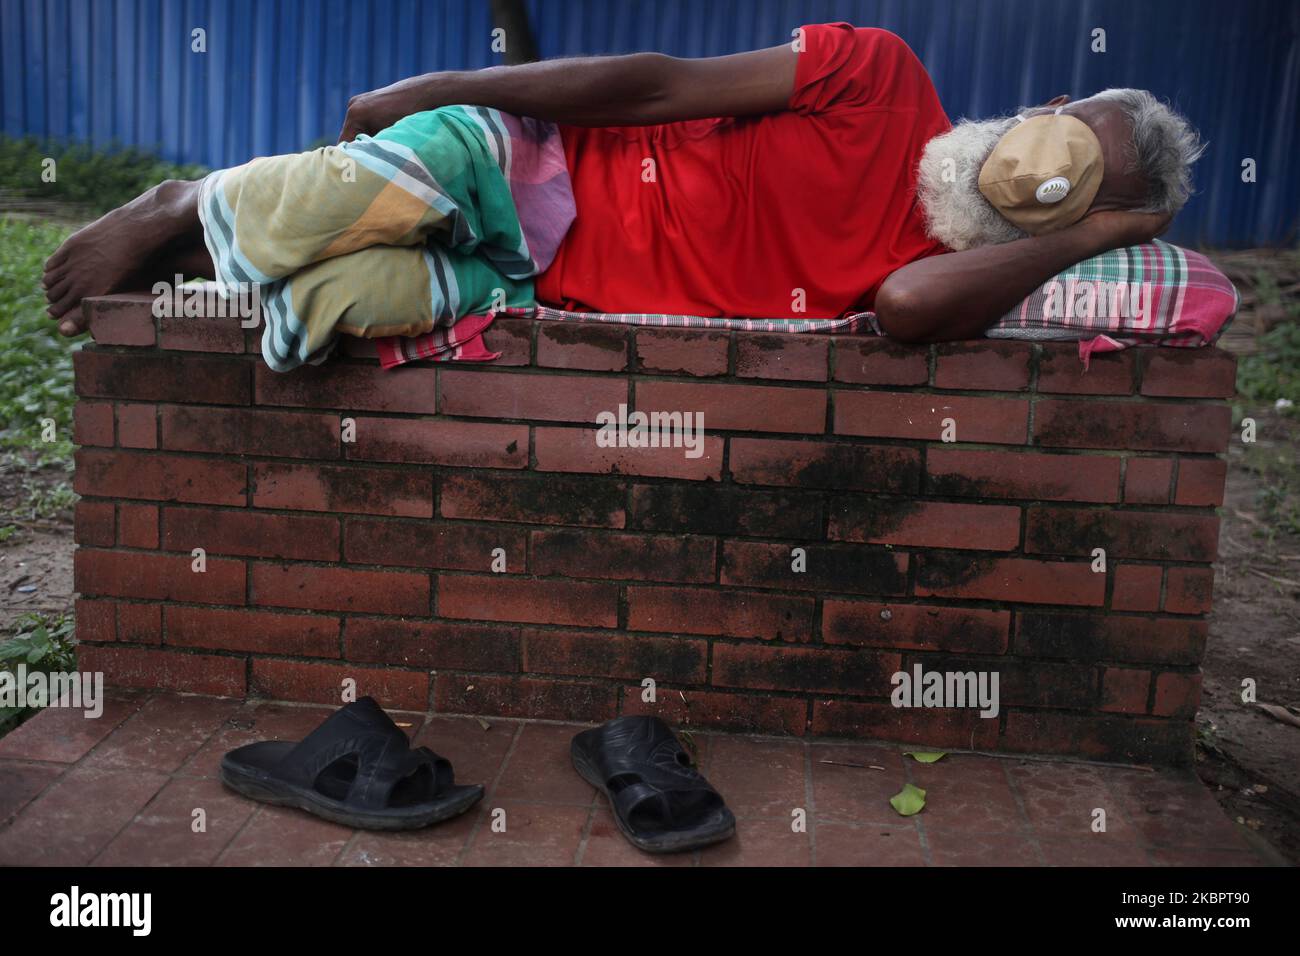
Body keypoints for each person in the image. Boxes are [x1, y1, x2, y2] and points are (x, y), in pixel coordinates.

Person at [42, 22, 1203, 344]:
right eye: (1069, 130)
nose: (1048, 169)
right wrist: (436, 86)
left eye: (1083, 183)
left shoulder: (953, 268)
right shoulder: (882, 75)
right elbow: (653, 83)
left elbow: (900, 316)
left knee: (322, 305)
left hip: (527, 280)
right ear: (1046, 105)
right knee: (337, 199)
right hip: (529, 162)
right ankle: (178, 203)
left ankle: (203, 251)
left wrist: (1087, 238)